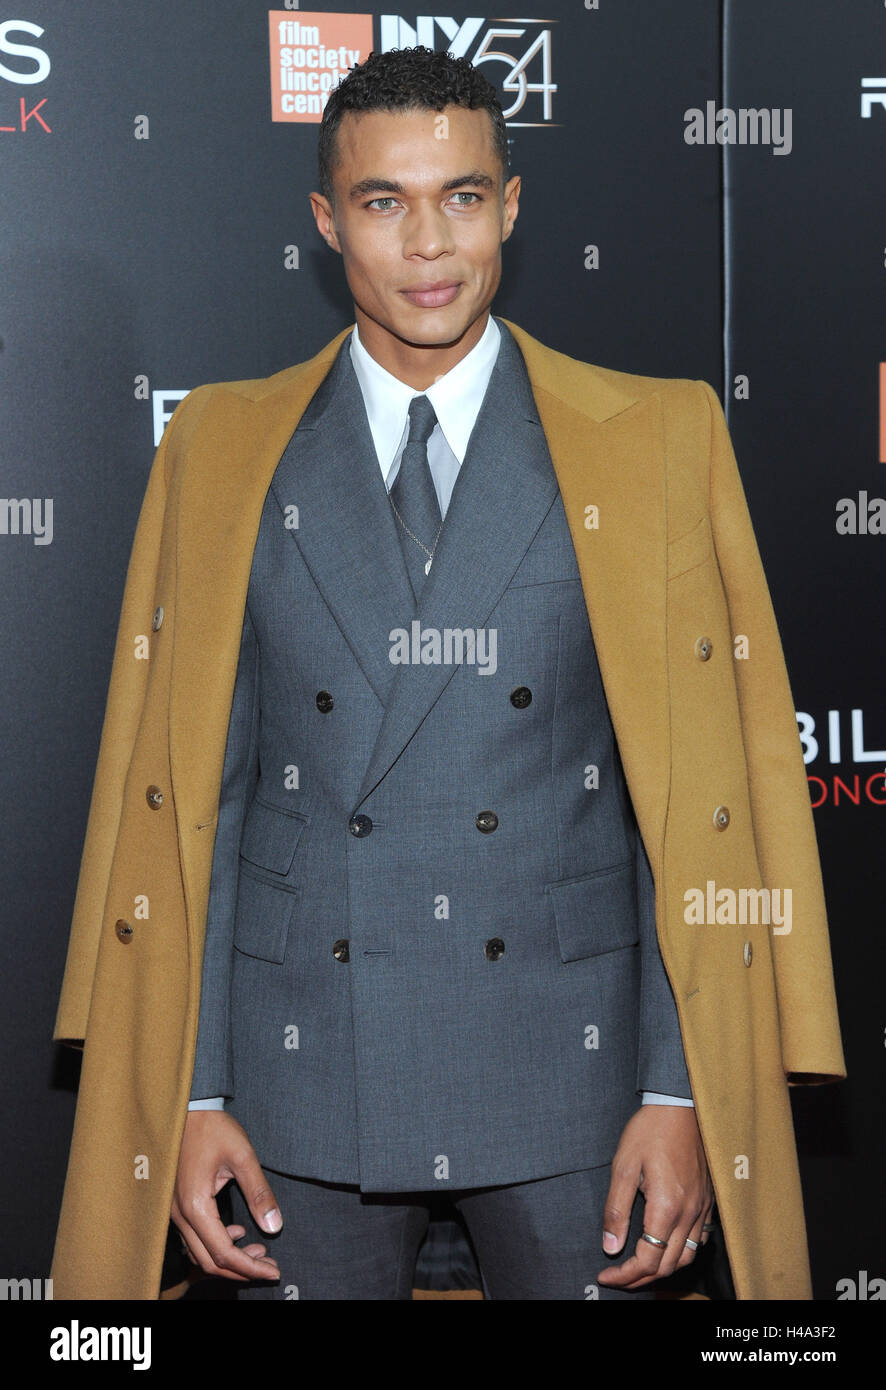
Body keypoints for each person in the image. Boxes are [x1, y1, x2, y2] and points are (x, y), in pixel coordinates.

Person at [51, 46, 845, 1301]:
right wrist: (190, 1089)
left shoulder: (658, 437)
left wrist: (677, 1086)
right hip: (296, 1084)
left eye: (463, 197)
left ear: (511, 209)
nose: (429, 244)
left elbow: (697, 812)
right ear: (325, 223)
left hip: (575, 1089)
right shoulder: (222, 443)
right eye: (383, 203)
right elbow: (192, 797)